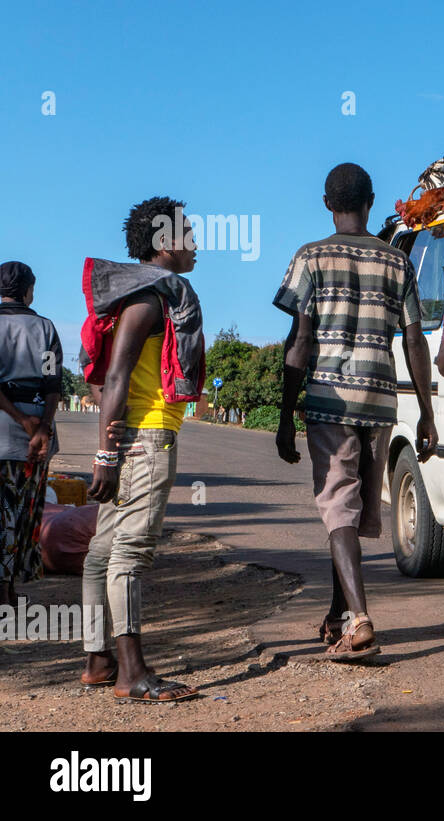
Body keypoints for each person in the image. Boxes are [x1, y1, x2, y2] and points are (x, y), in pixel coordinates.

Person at [274, 162, 436, 660]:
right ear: (371, 201)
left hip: (329, 399)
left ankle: (361, 620)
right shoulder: (398, 262)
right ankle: (338, 614)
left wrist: (285, 413)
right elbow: (414, 340)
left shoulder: (311, 257)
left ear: (327, 204)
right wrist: (427, 411)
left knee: (338, 509)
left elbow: (300, 340)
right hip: (380, 401)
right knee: (351, 512)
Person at [82, 197, 205, 701]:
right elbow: (114, 375)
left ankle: (98, 660)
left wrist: (109, 445)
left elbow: (101, 375)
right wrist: (108, 454)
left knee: (100, 553)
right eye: (188, 233)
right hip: (146, 437)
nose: (195, 243)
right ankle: (132, 674)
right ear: (164, 242)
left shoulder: (137, 295)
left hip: (130, 436)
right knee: (130, 552)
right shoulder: (151, 299)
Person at [0, 261, 61, 608]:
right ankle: (8, 589)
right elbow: (52, 383)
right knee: (25, 511)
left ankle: (3, 591)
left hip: (6, 431)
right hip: (36, 435)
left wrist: (19, 418)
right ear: (28, 290)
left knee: (2, 513)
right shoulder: (45, 328)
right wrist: (42, 425)